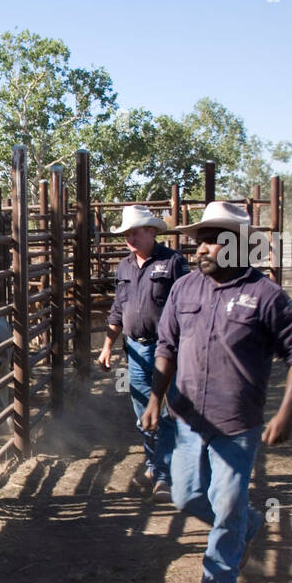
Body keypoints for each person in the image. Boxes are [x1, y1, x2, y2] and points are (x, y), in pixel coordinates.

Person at [142, 201, 292, 583]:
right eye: (199, 239)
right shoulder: (184, 289)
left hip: (237, 421)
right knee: (185, 497)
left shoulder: (265, 295)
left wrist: (286, 413)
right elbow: (166, 348)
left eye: (213, 240)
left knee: (229, 501)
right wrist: (154, 400)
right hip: (186, 417)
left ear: (238, 245)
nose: (201, 247)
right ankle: (249, 526)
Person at [97, 204, 191, 503]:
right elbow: (117, 309)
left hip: (170, 349)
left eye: (135, 232)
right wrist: (107, 345)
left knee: (170, 411)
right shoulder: (124, 267)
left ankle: (163, 475)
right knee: (144, 414)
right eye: (126, 234)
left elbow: (187, 306)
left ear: (151, 232)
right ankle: (156, 465)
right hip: (135, 348)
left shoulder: (174, 262)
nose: (130, 238)